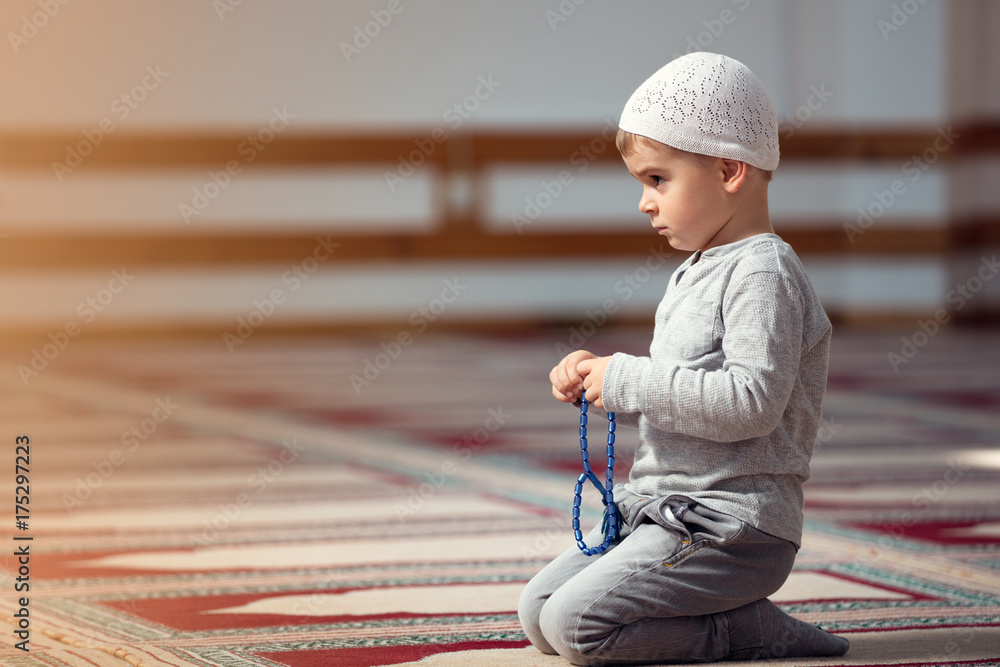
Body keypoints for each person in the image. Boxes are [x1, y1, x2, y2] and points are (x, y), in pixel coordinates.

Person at [517, 52, 850, 665]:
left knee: (578, 627)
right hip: (663, 511)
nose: (644, 202)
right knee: (538, 615)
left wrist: (626, 378)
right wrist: (599, 372)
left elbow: (750, 405)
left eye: (657, 179)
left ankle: (744, 631)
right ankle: (719, 612)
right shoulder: (695, 271)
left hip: (731, 527)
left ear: (728, 170)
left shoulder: (764, 272)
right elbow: (681, 383)